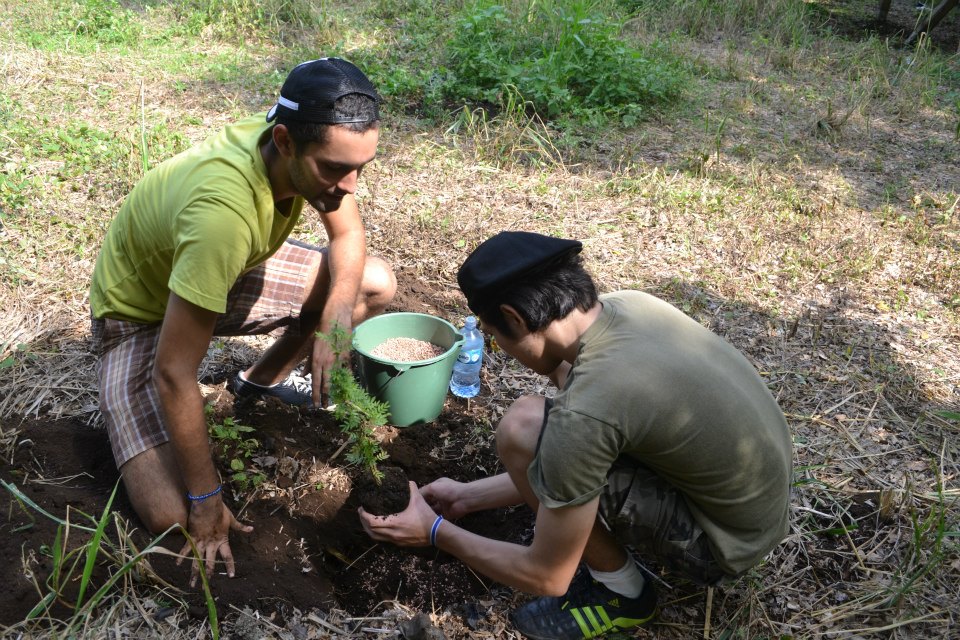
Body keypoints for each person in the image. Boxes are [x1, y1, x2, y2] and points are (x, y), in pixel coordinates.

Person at [359, 231, 792, 640]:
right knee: (551, 416)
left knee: (523, 428)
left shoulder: (590, 408)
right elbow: (585, 444)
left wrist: (435, 532)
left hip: (718, 546)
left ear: (514, 317)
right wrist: (468, 497)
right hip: (752, 513)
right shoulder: (630, 306)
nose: (501, 352)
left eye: (493, 340)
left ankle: (622, 593)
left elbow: (547, 575)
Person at [90, 57, 396, 585]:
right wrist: (208, 498)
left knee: (371, 282)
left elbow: (347, 237)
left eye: (360, 168)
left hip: (220, 272)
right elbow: (174, 374)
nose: (349, 186)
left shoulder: (306, 138)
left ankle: (261, 382)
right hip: (138, 315)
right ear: (284, 141)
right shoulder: (222, 216)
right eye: (334, 168)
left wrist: (333, 321)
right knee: (172, 516)